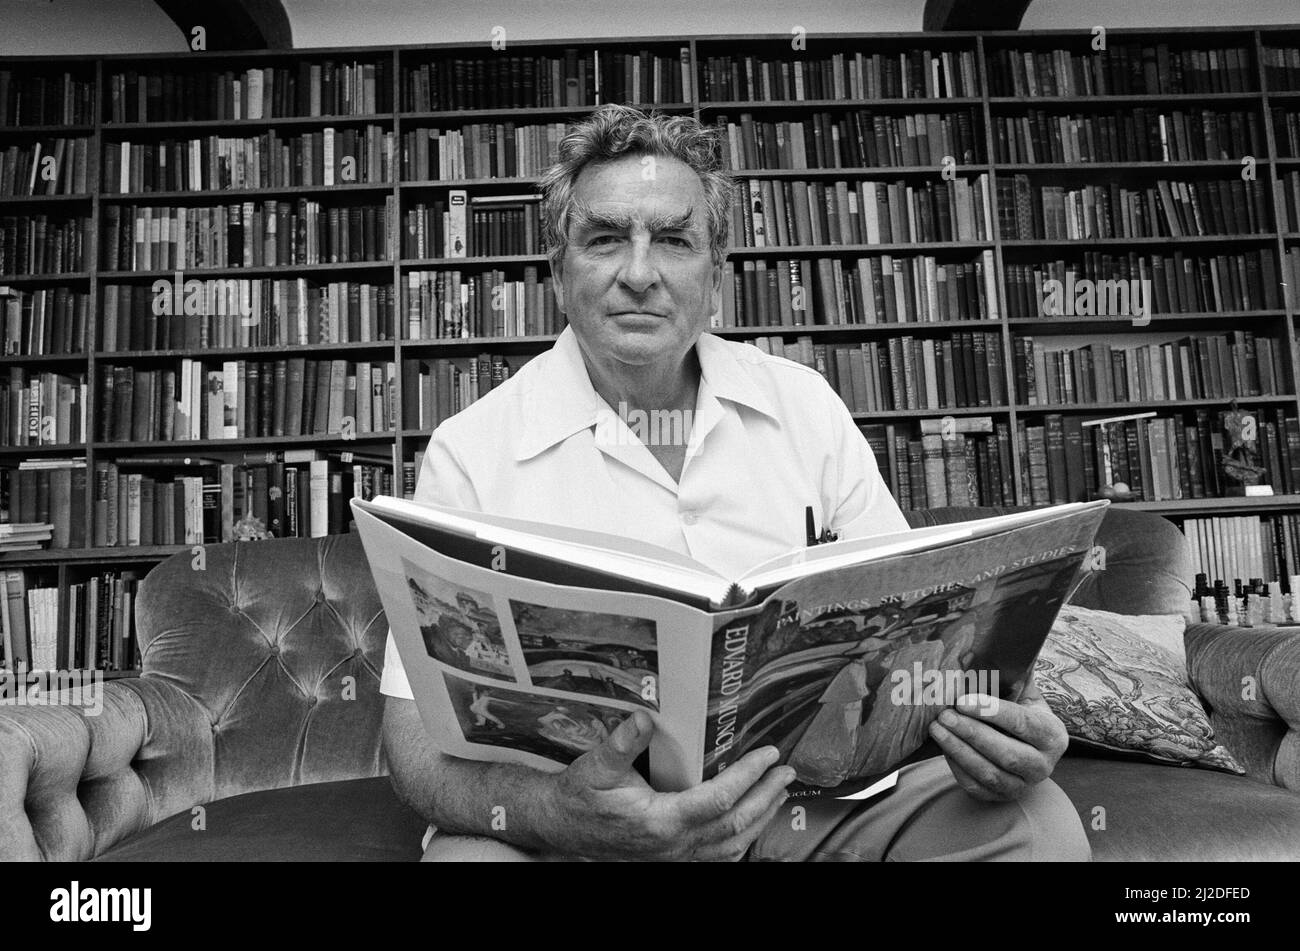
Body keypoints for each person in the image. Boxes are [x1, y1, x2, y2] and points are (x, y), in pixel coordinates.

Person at [380, 104, 1086, 862]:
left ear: (716, 270)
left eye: (675, 240)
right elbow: (413, 742)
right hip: (581, 832)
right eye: (606, 237)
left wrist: (1001, 718)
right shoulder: (472, 450)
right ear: (558, 271)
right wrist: (558, 812)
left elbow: (922, 632)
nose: (640, 273)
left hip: (807, 806)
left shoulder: (804, 405)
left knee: (1033, 824)